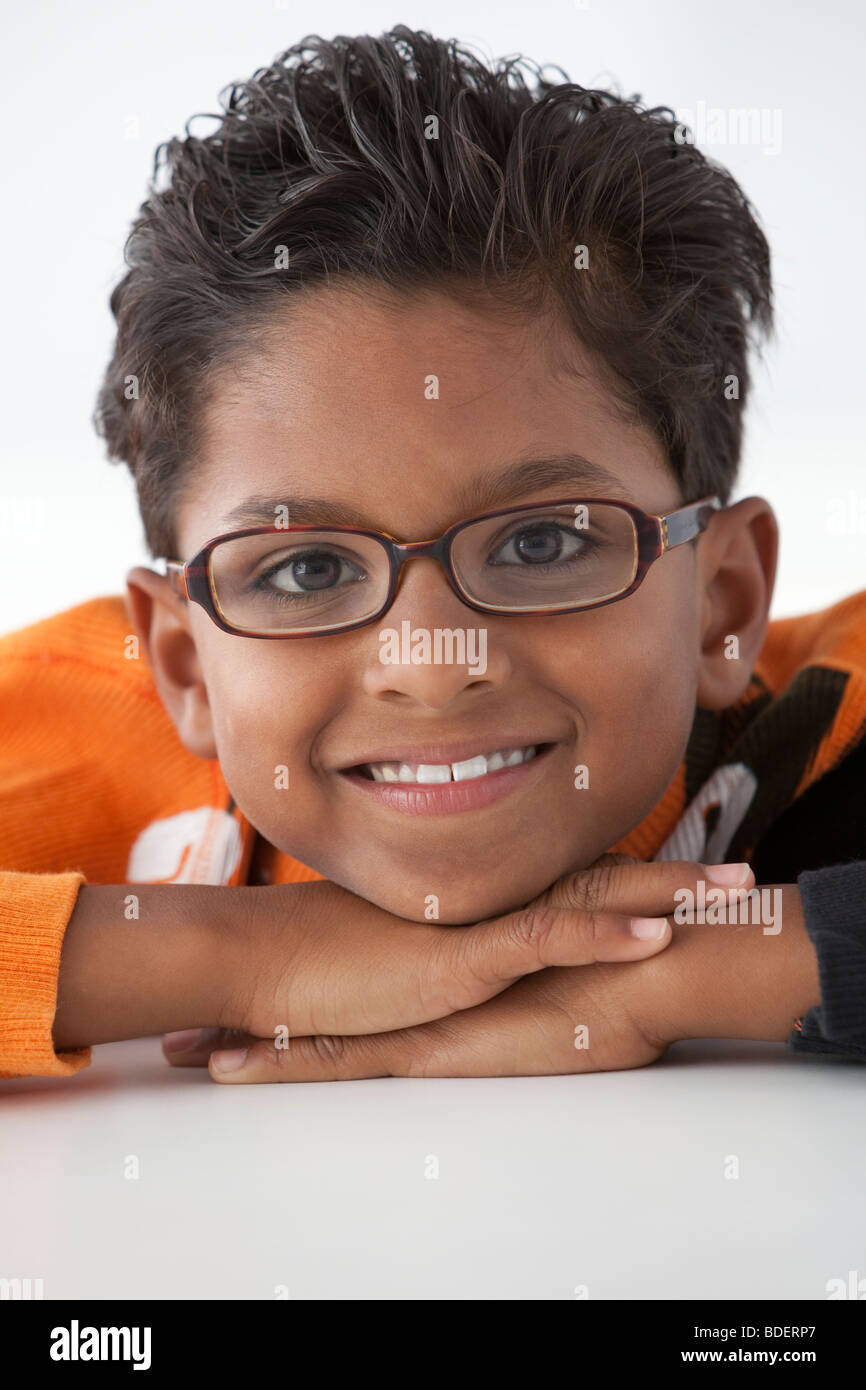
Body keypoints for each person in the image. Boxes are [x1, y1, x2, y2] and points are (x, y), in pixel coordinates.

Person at [1, 26, 863, 1084]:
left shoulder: (833, 724)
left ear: (721, 601)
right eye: (303, 569)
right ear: (181, 662)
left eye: (542, 542)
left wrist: (674, 972)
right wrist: (251, 957)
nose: (429, 659)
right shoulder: (82, 727)